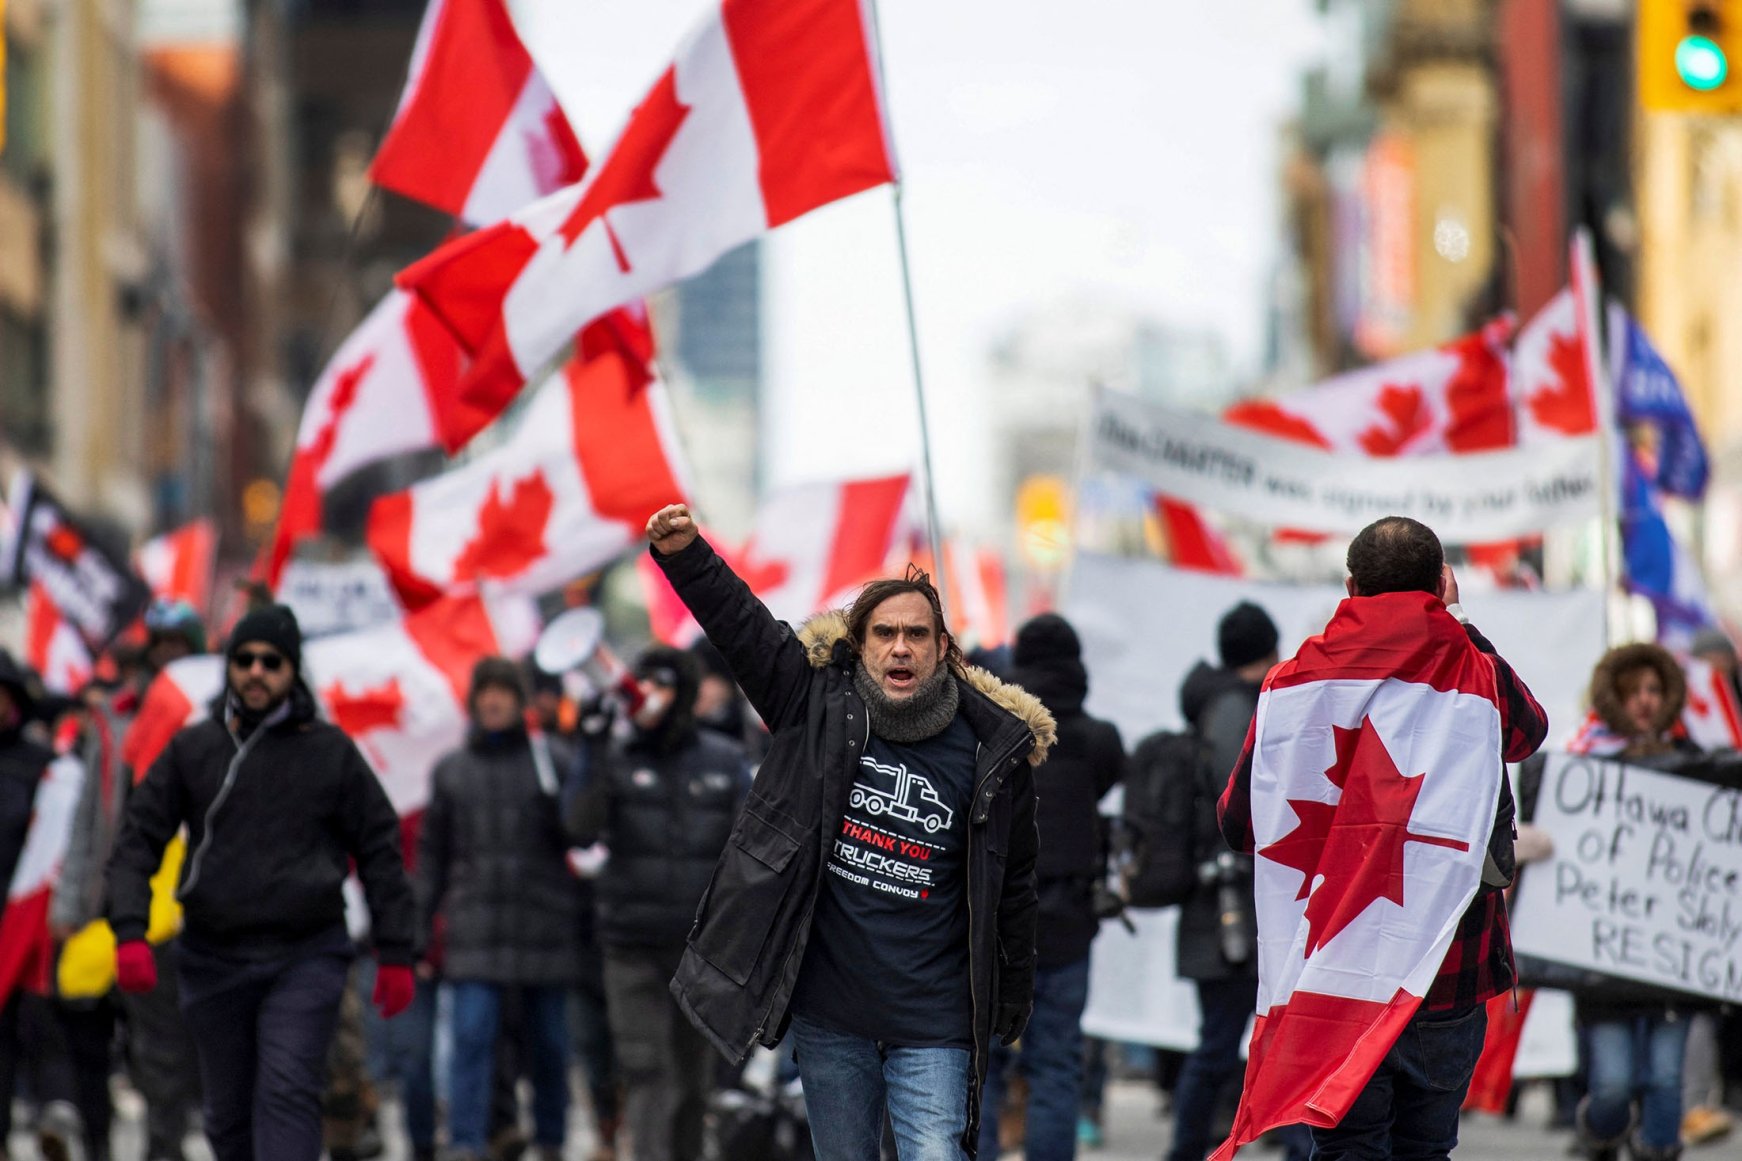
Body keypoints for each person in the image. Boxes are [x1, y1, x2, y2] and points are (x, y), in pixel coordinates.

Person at [645, 502, 1054, 1161]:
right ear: (859, 645)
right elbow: (743, 629)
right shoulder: (815, 706)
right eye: (885, 632)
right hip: (833, 1017)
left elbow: (1015, 887)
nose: (901, 646)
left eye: (917, 635)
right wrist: (687, 554)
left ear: (943, 648)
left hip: (936, 1022)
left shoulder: (992, 753)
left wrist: (1011, 994)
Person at [1218, 516, 1547, 1161]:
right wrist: (1458, 628)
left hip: (1333, 974)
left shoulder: (1290, 686)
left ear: (1349, 586)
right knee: (1427, 1149)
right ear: (1441, 587)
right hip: (1445, 970)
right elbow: (1526, 732)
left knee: (1348, 1150)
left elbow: (1239, 821)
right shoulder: (1474, 674)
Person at [105, 604, 418, 1161]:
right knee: (228, 1117)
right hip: (212, 956)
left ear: (292, 671)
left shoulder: (331, 753)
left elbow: (380, 849)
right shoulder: (193, 748)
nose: (255, 672)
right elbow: (136, 838)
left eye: (271, 662)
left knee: (286, 1093)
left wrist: (396, 951)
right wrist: (128, 929)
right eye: (243, 660)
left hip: (305, 955)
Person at [565, 643, 751, 1161]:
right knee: (650, 1074)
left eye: (664, 685)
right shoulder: (615, 756)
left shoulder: (724, 759)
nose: (650, 696)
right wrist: (591, 748)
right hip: (632, 949)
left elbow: (749, 852)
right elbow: (579, 827)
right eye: (644, 684)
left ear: (685, 692)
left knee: (693, 1083)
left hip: (700, 951)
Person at [1158, 602, 1310, 1161]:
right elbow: (1245, 809)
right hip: (1243, 902)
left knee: (1230, 1040)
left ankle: (1194, 1146)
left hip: (1221, 902)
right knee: (1258, 1038)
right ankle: (1200, 1149)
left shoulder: (1212, 706)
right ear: (1269, 649)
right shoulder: (1236, 711)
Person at [418, 657, 582, 1161]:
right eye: (484, 692)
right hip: (476, 931)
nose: (492, 702)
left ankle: (551, 1139)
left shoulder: (550, 759)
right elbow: (432, 860)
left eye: (502, 692)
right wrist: (418, 931)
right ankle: (465, 1142)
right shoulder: (452, 771)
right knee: (470, 1039)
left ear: (520, 700)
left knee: (551, 1047)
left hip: (544, 927)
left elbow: (580, 835)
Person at [976, 614, 1123, 1161]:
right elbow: (1105, 785)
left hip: (995, 921)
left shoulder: (992, 733)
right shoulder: (1098, 739)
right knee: (1057, 1063)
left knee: (982, 1064)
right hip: (1068, 921)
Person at [1561, 643, 1712, 1161]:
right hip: (1607, 954)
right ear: (1614, 697)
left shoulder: (1696, 763)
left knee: (1667, 1079)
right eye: (1633, 691)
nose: (1645, 701)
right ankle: (1598, 1131)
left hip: (1675, 955)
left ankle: (1658, 1150)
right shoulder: (1582, 766)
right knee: (1614, 1086)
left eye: (1654, 690)